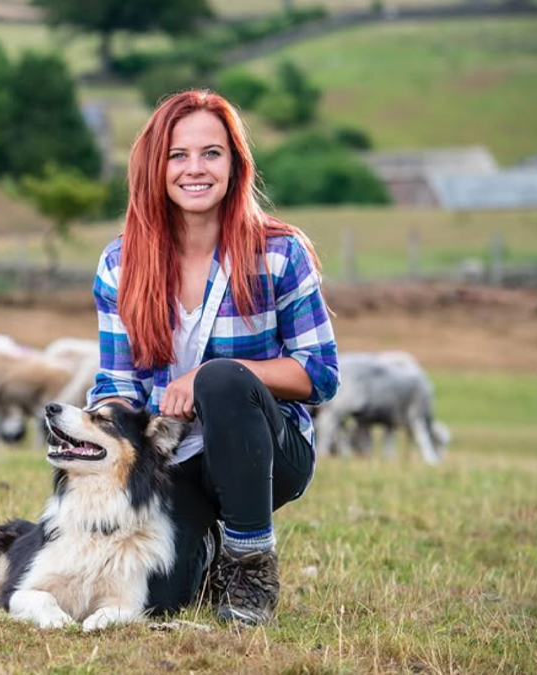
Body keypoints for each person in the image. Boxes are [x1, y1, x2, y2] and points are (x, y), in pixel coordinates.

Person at [86, 90, 339, 626]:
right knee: (153, 598)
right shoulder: (120, 264)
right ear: (157, 166)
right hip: (172, 459)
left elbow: (320, 374)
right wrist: (96, 443)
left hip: (269, 453)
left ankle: (250, 562)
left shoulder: (280, 253)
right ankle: (205, 554)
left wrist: (204, 377)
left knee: (223, 380)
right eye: (178, 155)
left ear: (235, 164)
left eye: (211, 153)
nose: (194, 169)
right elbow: (117, 383)